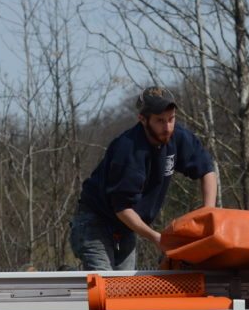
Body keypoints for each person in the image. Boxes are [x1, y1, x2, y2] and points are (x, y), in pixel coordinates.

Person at [70, 86, 218, 271]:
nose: (167, 127)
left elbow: (207, 171)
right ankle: (68, 275)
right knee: (102, 281)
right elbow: (122, 208)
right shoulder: (128, 150)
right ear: (142, 119)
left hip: (126, 227)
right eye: (160, 121)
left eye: (171, 119)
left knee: (125, 287)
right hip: (95, 221)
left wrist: (208, 214)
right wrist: (157, 238)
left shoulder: (178, 137)